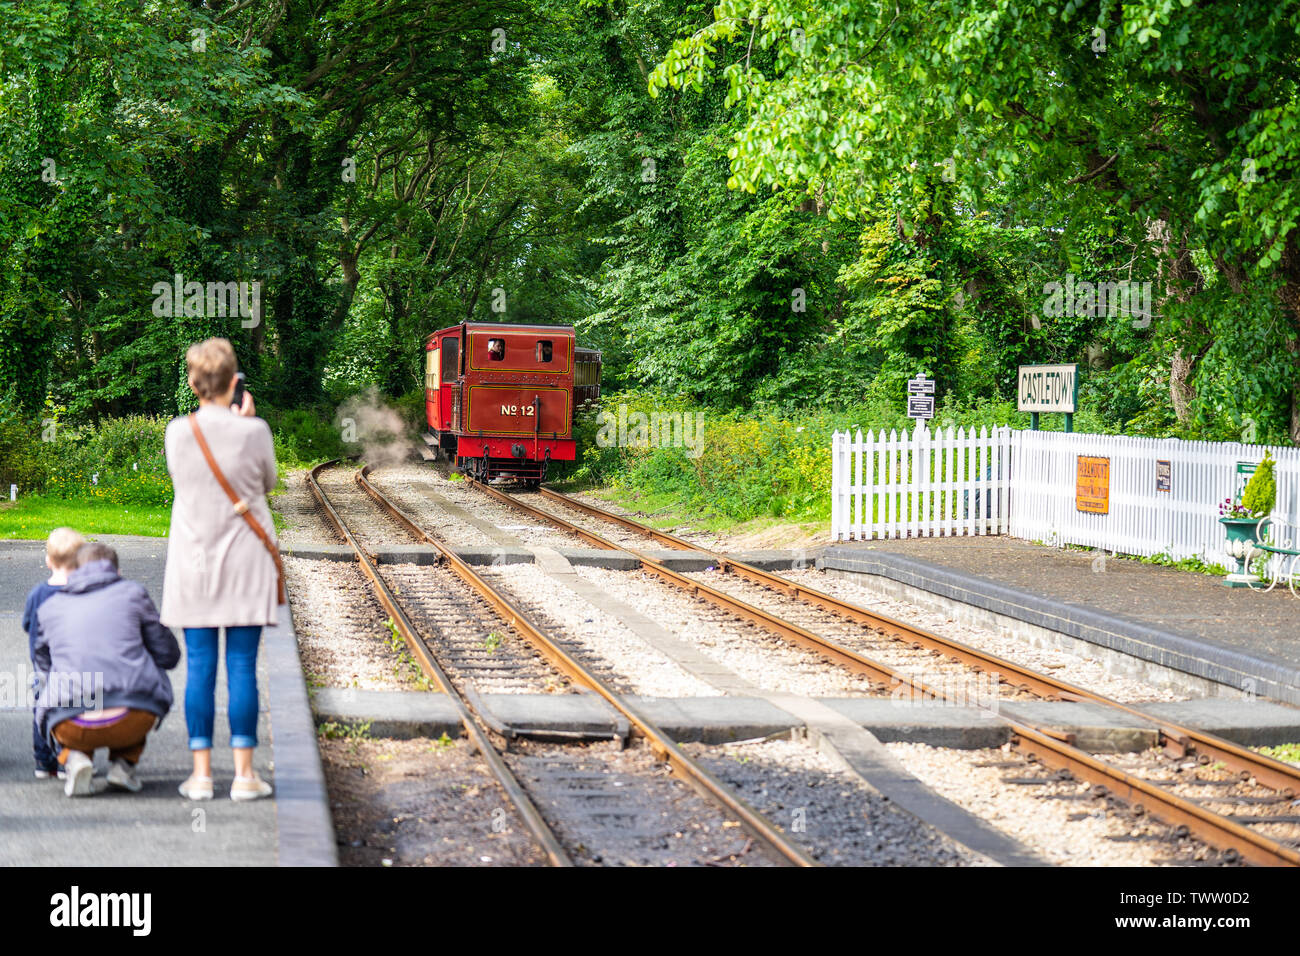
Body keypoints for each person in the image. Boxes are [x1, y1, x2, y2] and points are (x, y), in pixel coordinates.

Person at [163, 337, 279, 802]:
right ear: (234, 383)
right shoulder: (255, 431)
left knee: (200, 668)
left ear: (193, 384)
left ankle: (201, 775)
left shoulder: (176, 432)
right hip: (246, 563)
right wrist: (244, 425)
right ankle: (246, 776)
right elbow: (267, 482)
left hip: (195, 565)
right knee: (243, 666)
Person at [34, 542, 180, 797]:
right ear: (117, 571)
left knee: (52, 692)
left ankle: (74, 757)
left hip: (69, 720)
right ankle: (124, 764)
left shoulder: (49, 608)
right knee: (144, 683)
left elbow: (42, 665)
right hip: (131, 715)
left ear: (73, 571)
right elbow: (168, 655)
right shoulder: (133, 594)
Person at [22, 527, 85, 779]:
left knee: (42, 707)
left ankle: (43, 761)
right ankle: (66, 758)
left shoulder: (38, 593)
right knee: (73, 709)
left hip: (43, 665)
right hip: (72, 665)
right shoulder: (81, 591)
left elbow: (28, 623)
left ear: (48, 561)